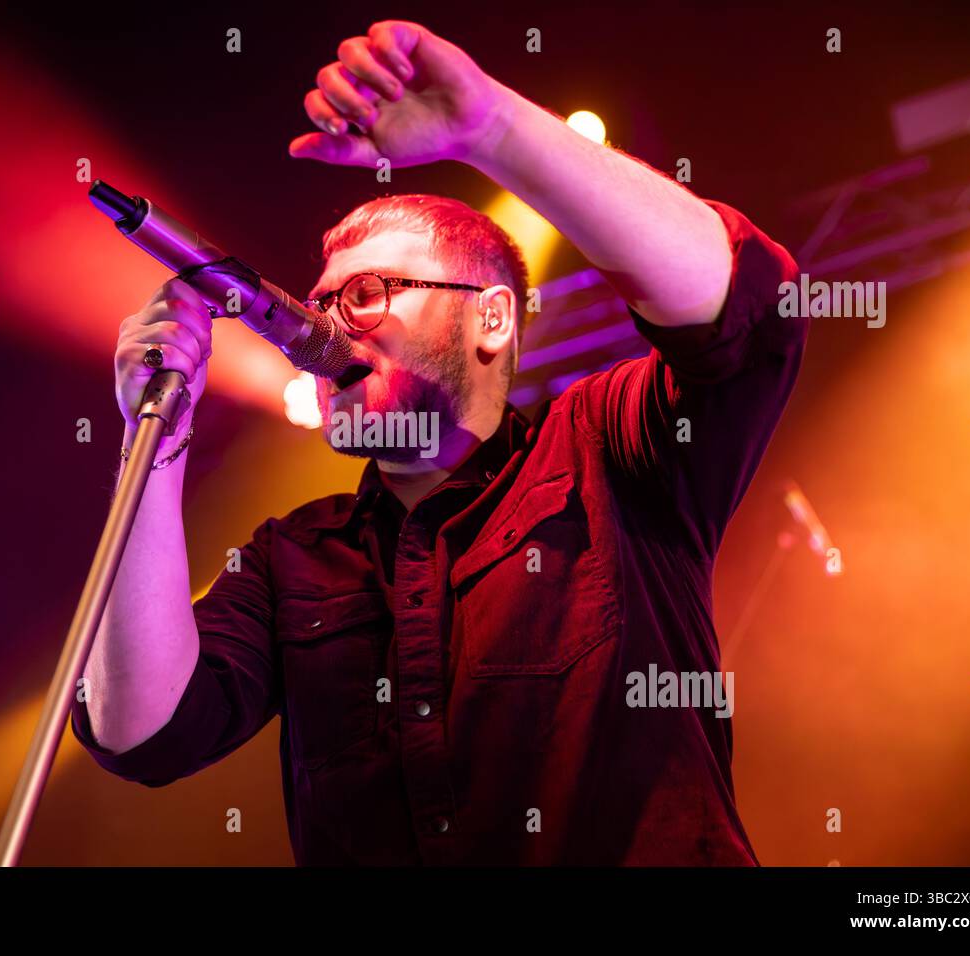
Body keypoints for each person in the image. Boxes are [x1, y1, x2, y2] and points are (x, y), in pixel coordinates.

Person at [72, 20, 807, 865]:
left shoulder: (610, 450)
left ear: (491, 319)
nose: (322, 328)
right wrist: (151, 436)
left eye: (370, 293)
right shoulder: (293, 560)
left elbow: (749, 308)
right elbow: (140, 730)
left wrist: (489, 126)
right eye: (318, 305)